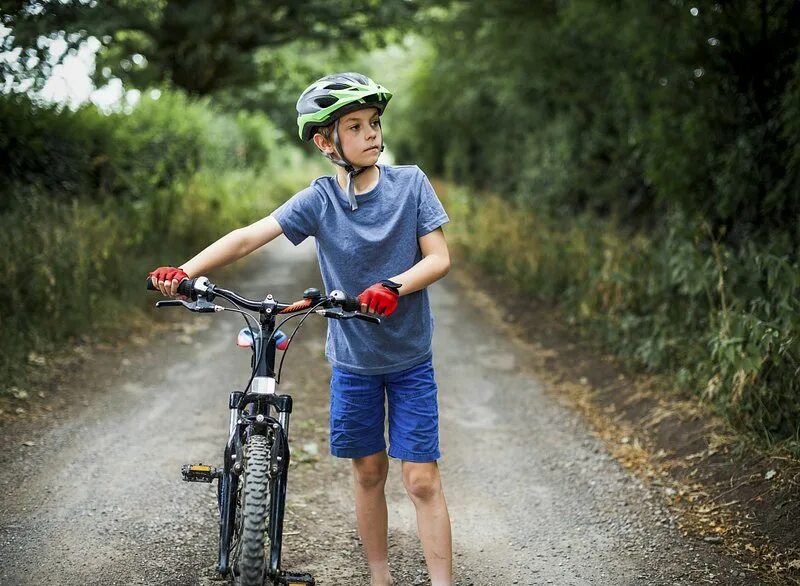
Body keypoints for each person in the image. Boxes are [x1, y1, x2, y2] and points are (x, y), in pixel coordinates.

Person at [149, 72, 453, 586]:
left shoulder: (410, 184)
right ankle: (381, 580)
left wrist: (394, 286)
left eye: (374, 123)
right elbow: (249, 237)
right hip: (354, 365)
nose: (371, 133)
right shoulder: (319, 201)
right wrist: (185, 270)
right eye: (354, 126)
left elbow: (439, 258)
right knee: (368, 473)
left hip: (408, 361)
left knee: (421, 479)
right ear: (325, 142)